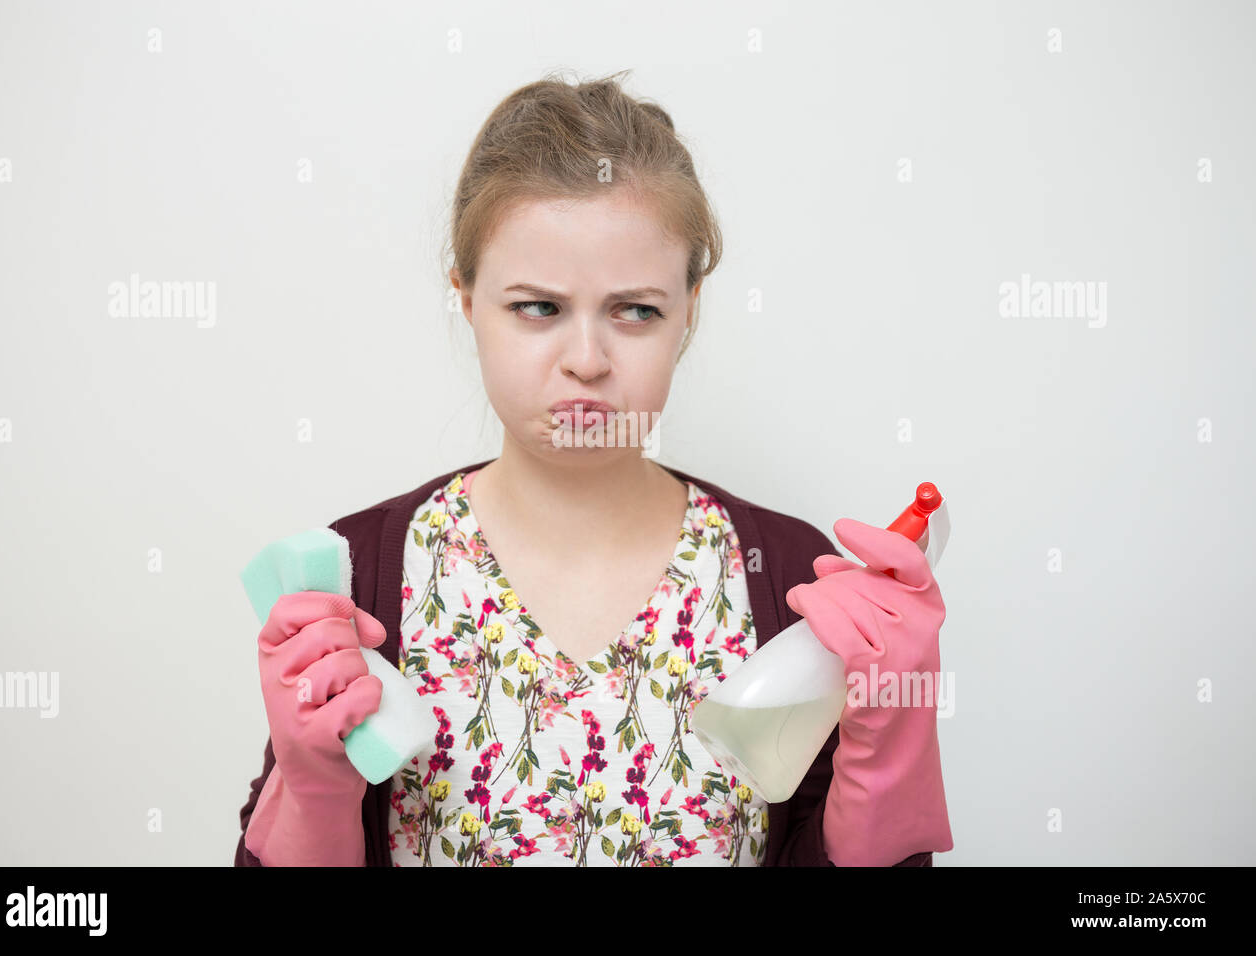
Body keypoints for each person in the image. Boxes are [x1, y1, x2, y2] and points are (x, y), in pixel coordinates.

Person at [236, 68, 953, 867]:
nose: (586, 360)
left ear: (689, 310)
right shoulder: (358, 576)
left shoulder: (791, 583)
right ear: (466, 299)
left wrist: (890, 749)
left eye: (636, 310)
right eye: (537, 307)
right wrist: (311, 790)